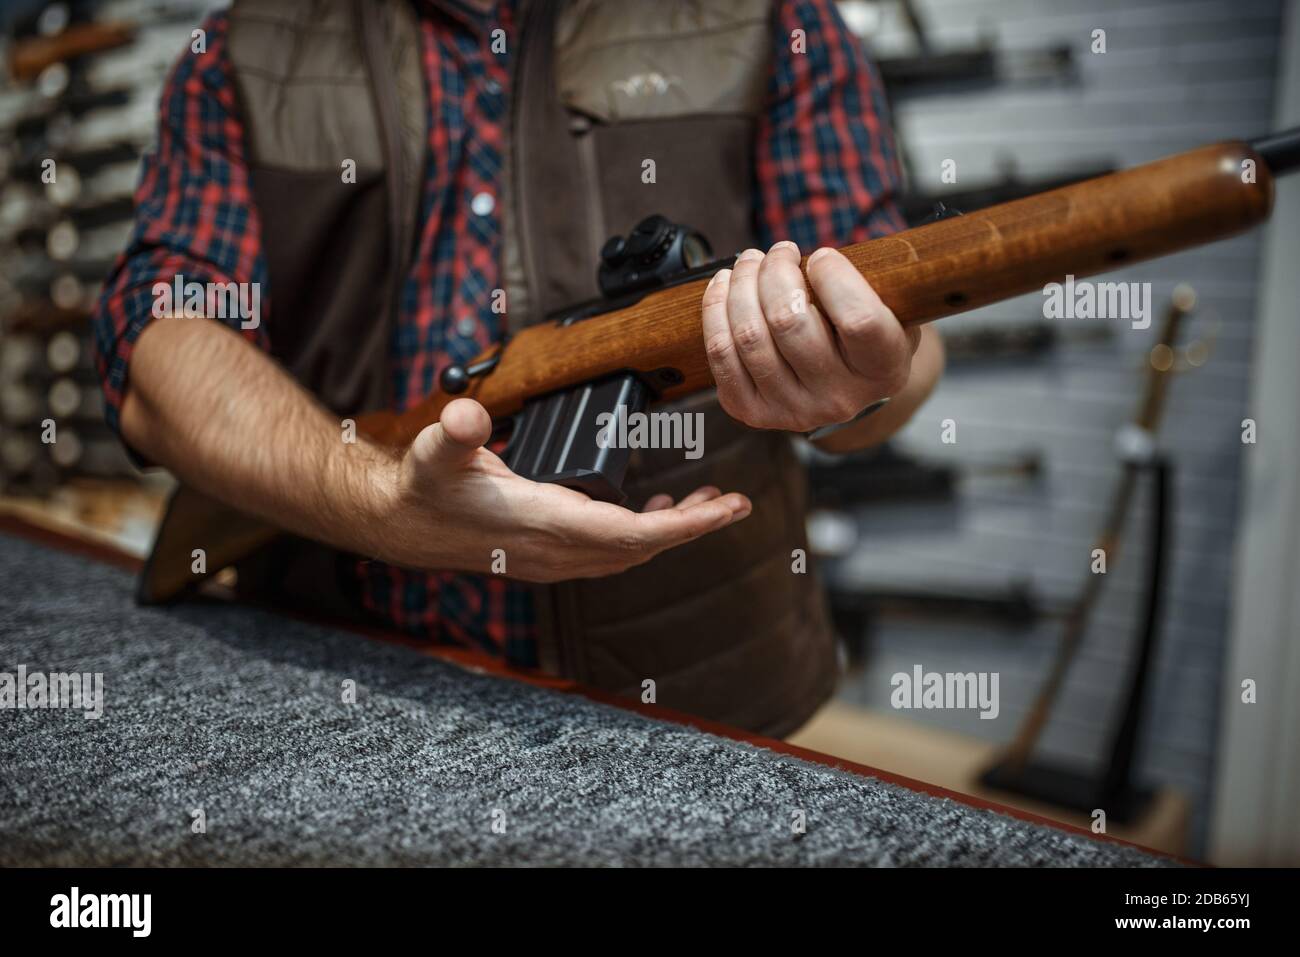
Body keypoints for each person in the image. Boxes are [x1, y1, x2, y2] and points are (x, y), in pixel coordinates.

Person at [92, 0, 944, 736]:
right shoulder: (245, 48)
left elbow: (895, 320)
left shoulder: (771, 18)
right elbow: (161, 329)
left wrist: (867, 382)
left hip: (686, 706)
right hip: (336, 678)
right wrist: (375, 497)